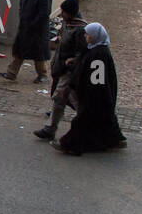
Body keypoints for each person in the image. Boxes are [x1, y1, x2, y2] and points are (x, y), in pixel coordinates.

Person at [54, 22, 127, 155]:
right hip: (99, 95)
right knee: (105, 118)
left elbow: (97, 80)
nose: (86, 36)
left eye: (88, 34)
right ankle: (114, 140)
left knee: (82, 120)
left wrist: (89, 94)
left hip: (94, 95)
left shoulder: (98, 54)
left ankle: (70, 145)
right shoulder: (97, 49)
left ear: (94, 36)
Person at [34, 0, 87, 140]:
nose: (61, 13)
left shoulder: (80, 29)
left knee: (66, 99)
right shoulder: (67, 24)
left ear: (70, 13)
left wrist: (71, 63)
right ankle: (50, 129)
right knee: (61, 99)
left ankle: (84, 126)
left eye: (63, 11)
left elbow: (82, 53)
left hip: (69, 72)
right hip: (61, 69)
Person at [0, 0, 51, 83]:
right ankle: (11, 73)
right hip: (25, 27)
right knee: (19, 51)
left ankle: (42, 74)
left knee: (38, 54)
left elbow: (44, 15)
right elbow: (22, 6)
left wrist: (32, 25)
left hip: (37, 30)